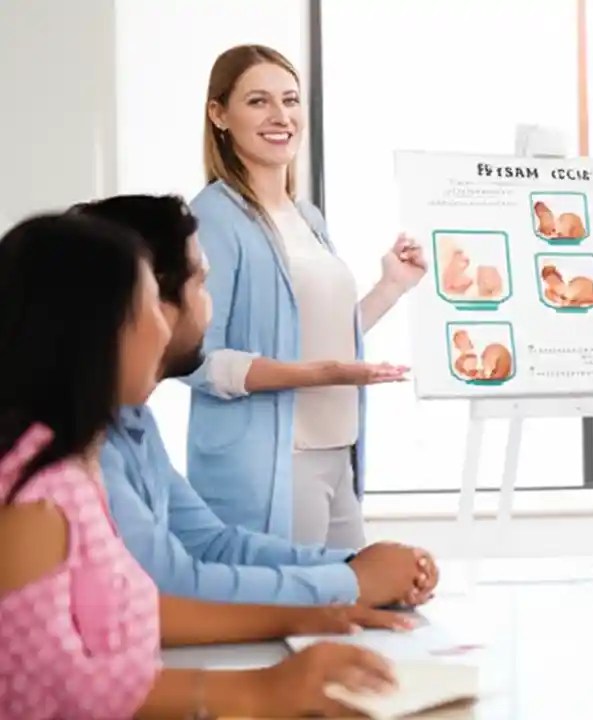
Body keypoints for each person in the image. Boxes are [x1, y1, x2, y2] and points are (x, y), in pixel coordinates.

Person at [0, 213, 413, 719]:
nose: (163, 324)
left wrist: (312, 615)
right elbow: (48, 695)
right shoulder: (35, 494)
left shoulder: (75, 463)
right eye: (149, 304)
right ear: (94, 330)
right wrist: (258, 692)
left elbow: (141, 610)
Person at [73, 194, 436, 606]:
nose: (209, 304)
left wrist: (357, 566)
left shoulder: (134, 427)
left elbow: (211, 543)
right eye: (202, 283)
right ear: (147, 303)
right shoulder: (83, 449)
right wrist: (351, 583)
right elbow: (169, 588)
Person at [185, 44, 426, 546]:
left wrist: (391, 287)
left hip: (338, 452)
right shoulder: (214, 217)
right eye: (258, 102)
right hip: (271, 466)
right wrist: (323, 374)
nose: (281, 116)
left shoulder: (307, 217)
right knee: (293, 615)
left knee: (351, 610)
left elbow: (316, 332)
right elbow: (199, 360)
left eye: (290, 100)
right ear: (219, 114)